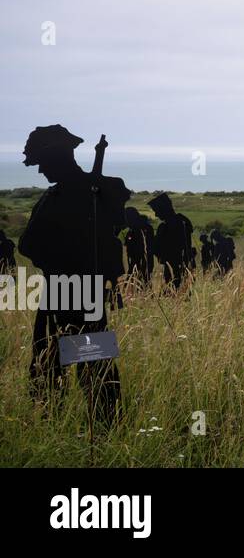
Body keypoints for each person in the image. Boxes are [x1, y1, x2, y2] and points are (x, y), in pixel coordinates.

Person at [17, 125, 127, 423]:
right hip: (90, 290)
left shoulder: (59, 196)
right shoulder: (99, 191)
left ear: (57, 158)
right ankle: (108, 424)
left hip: (62, 290)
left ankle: (50, 422)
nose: (40, 171)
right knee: (95, 364)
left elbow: (27, 244)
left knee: (47, 363)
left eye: (43, 163)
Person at [149, 192, 193, 289]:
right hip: (182, 265)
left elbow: (157, 248)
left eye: (157, 210)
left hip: (174, 266)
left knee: (173, 291)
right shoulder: (182, 221)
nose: (156, 214)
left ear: (163, 208)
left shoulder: (166, 226)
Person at [123, 207, 154, 284]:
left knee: (143, 284)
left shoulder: (144, 229)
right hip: (135, 264)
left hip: (142, 263)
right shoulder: (133, 230)